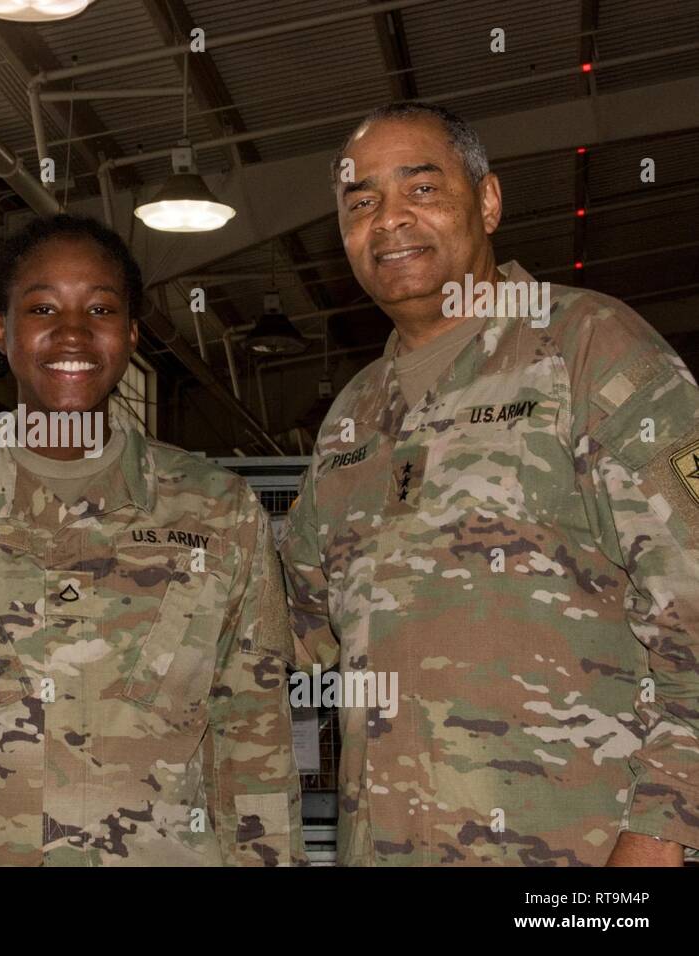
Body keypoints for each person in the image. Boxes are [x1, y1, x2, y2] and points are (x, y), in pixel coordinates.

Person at [278, 101, 699, 866]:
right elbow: (293, 630)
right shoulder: (351, 416)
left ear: (489, 201)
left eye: (421, 189)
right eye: (361, 203)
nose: (389, 219)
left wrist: (660, 836)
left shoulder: (587, 347)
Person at [0, 214, 303, 866]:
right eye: (42, 308)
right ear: (1, 331)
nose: (73, 332)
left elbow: (253, 741)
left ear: (132, 334)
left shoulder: (221, 512)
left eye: (100, 309)